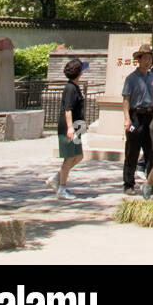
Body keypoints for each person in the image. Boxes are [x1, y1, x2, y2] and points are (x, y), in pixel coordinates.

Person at [48, 57, 85, 201]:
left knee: (78, 155)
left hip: (78, 125)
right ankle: (62, 188)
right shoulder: (70, 88)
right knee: (69, 157)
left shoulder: (75, 86)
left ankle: (57, 177)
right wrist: (70, 128)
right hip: (70, 127)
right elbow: (68, 109)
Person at [121, 44, 153, 195]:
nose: (148, 61)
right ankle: (128, 184)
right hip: (136, 116)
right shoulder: (131, 79)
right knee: (132, 151)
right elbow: (126, 99)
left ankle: (150, 183)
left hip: (150, 115)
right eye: (145, 58)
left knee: (150, 152)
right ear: (139, 60)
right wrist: (127, 118)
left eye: (150, 58)